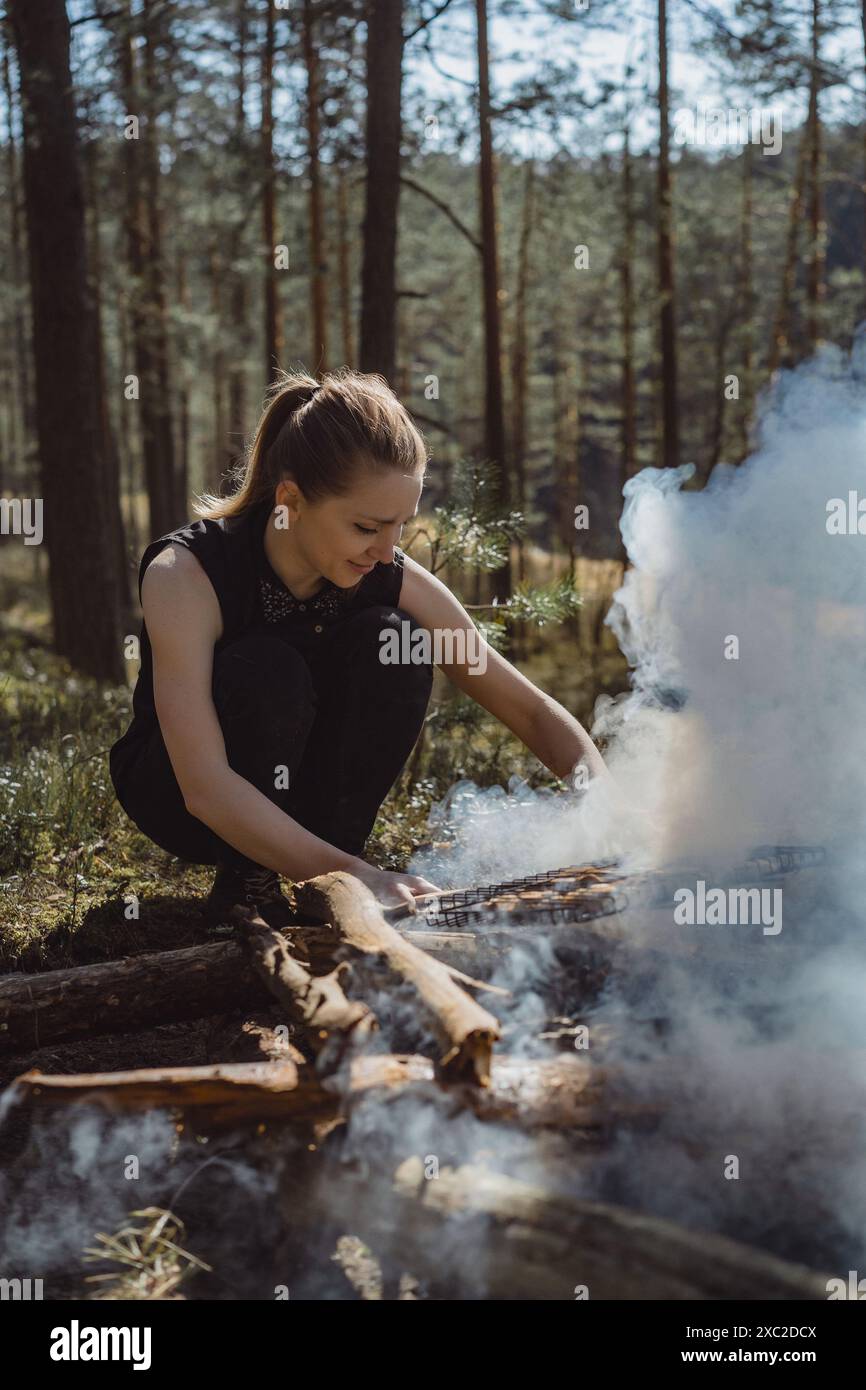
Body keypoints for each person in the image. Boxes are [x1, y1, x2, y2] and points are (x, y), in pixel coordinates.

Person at [109, 368, 609, 926]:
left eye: (401, 526)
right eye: (367, 527)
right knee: (269, 668)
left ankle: (323, 870)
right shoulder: (187, 574)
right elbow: (203, 786)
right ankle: (250, 883)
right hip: (182, 799)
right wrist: (362, 876)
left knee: (393, 640)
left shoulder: (387, 568)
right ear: (291, 499)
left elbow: (529, 709)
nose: (386, 551)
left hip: (300, 804)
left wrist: (610, 807)